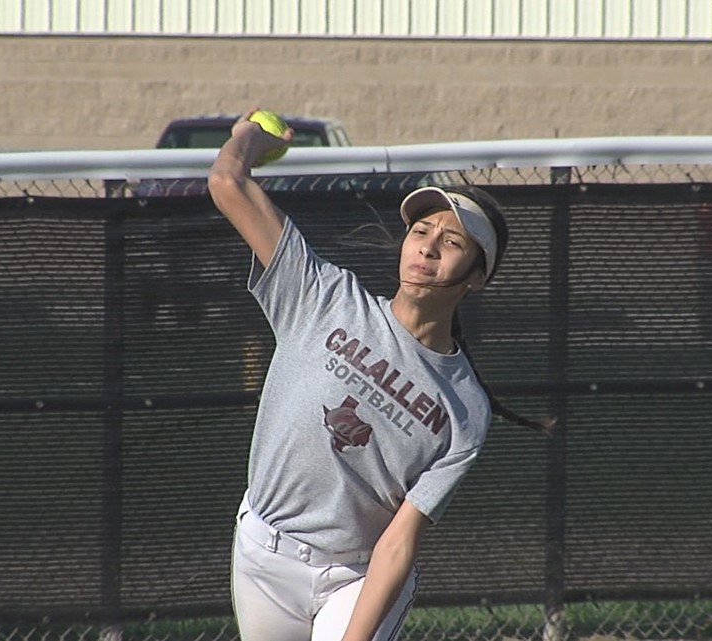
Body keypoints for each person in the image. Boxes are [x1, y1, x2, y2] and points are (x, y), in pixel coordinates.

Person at [207, 108, 522, 641]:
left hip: (358, 574)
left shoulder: (465, 407)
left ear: (477, 276)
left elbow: (399, 542)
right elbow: (226, 182)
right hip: (266, 553)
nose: (427, 246)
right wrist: (250, 136)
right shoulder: (322, 297)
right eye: (421, 230)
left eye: (452, 242)